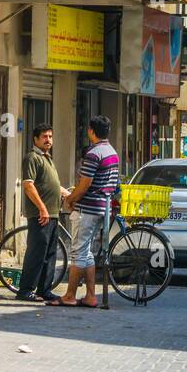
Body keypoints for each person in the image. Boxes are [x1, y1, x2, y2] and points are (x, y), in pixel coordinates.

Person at [60, 115, 120, 308]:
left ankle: (69, 295)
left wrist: (70, 199)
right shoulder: (112, 152)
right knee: (88, 253)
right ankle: (90, 296)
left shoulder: (94, 154)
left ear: (91, 132)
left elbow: (84, 185)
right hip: (103, 208)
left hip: (88, 209)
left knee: (78, 252)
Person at [17, 123, 68, 304]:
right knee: (36, 253)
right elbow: (28, 185)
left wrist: (68, 194)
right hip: (41, 214)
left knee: (50, 255)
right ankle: (25, 290)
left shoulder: (48, 159)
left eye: (50, 137)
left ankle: (45, 290)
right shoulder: (32, 158)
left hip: (53, 213)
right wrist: (42, 207)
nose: (48, 140)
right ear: (36, 139)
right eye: (45, 137)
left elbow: (52, 184)